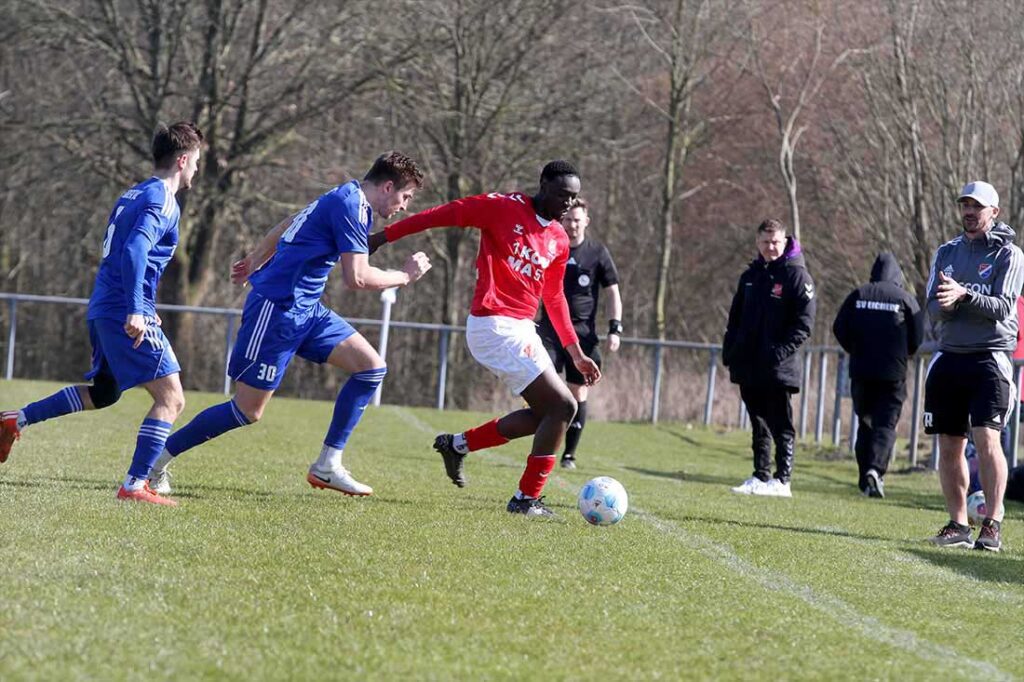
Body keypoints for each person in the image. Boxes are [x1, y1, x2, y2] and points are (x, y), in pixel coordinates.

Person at [146, 152, 431, 497]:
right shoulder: (351, 206)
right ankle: (155, 461)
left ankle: (327, 465)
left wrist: (255, 258)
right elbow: (356, 277)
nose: (404, 206)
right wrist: (404, 276)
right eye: (405, 197)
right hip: (277, 311)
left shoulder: (346, 196)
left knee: (371, 368)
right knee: (247, 410)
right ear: (388, 187)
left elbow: (287, 224)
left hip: (307, 310)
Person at [369, 160, 601, 518]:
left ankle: (457, 445)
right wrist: (383, 237)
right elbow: (443, 214)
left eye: (573, 198)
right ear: (542, 185)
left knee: (548, 416)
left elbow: (554, 299)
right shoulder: (502, 207)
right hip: (493, 326)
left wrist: (576, 353)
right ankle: (525, 500)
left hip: (522, 328)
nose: (567, 204)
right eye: (561, 195)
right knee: (564, 407)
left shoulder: (557, 239)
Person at [0, 122, 204, 506]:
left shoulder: (135, 192)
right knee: (172, 398)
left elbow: (132, 254)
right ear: (182, 160)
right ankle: (135, 484)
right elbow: (134, 252)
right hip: (119, 310)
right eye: (195, 162)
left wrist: (146, 305)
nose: (196, 170)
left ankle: (15, 420)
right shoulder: (162, 198)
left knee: (105, 393)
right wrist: (136, 308)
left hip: (104, 306)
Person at [923, 180, 1023, 552]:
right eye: (965, 205)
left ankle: (993, 523)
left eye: (977, 206)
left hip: (989, 358)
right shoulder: (946, 252)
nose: (969, 211)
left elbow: (1002, 307)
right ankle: (958, 524)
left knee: (986, 439)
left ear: (993, 212)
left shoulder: (1009, 255)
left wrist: (964, 295)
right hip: (950, 356)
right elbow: (931, 308)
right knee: (949, 445)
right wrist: (945, 305)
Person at [723, 218, 816, 498]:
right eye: (765, 242)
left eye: (775, 242)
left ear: (785, 240)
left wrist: (778, 352)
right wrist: (731, 350)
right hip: (749, 364)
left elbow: (804, 325)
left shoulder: (797, 276)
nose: (770, 248)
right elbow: (735, 318)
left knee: (780, 422)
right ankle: (760, 476)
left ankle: (783, 479)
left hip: (778, 367)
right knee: (757, 422)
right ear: (757, 242)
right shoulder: (751, 276)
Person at [536, 197, 622, 469]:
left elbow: (613, 292)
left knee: (578, 393)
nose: (572, 225)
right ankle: (542, 446)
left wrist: (615, 328)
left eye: (577, 220)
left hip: (583, 336)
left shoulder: (597, 253)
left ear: (586, 221)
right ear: (561, 220)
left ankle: (568, 455)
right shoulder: (550, 246)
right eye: (568, 219)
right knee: (545, 385)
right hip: (549, 331)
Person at [832, 253, 923, 498]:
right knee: (886, 424)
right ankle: (876, 470)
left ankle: (865, 479)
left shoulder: (858, 294)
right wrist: (905, 353)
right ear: (898, 276)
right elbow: (918, 335)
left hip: (861, 371)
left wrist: (855, 350)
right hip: (893, 372)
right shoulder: (905, 298)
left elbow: (839, 328)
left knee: (865, 423)